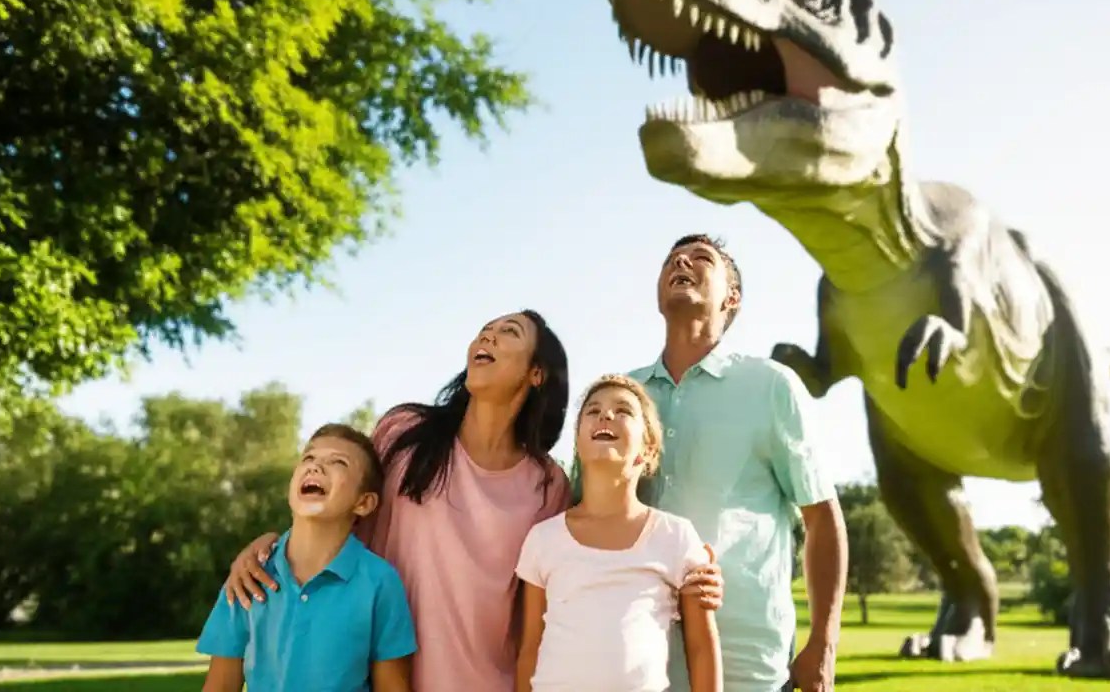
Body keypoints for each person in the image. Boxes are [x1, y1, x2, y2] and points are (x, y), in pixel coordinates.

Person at [220, 310, 725, 692]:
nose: (488, 336)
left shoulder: (546, 485)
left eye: (509, 333)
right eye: (485, 329)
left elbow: (567, 584)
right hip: (383, 677)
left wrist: (693, 574)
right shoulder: (404, 433)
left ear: (536, 374)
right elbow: (339, 510)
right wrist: (270, 545)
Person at [632, 234, 849, 692]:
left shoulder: (771, 386)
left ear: (731, 297)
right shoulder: (623, 397)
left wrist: (823, 644)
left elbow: (822, 518)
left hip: (748, 658)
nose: (682, 261)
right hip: (634, 653)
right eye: (672, 258)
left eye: (700, 258)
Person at [516, 374, 722, 692]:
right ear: (579, 444)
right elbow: (530, 648)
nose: (605, 415)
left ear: (648, 451)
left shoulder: (676, 536)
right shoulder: (543, 539)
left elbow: (701, 648)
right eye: (592, 410)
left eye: (623, 410)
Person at [196, 423, 416, 692]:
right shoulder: (248, 576)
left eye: (338, 462)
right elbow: (220, 685)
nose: (315, 466)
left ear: (364, 503)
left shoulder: (380, 583)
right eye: (309, 458)